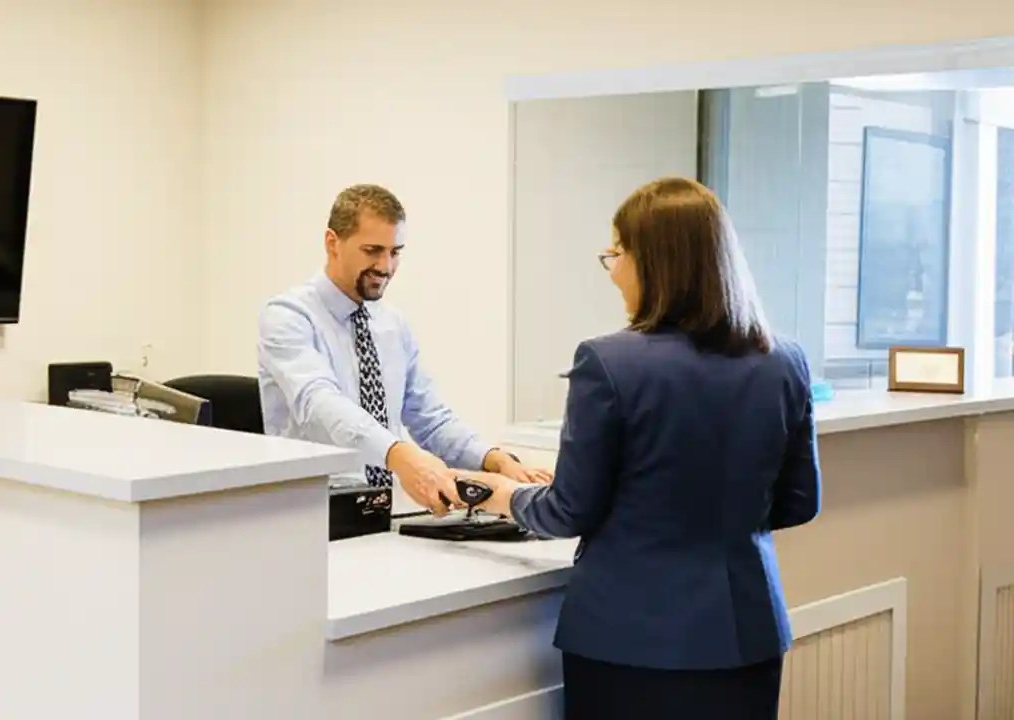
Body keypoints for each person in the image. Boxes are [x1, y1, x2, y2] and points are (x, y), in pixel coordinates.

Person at [459, 177, 820, 719]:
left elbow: (569, 511)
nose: (613, 272)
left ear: (655, 262)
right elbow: (799, 502)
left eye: (617, 253)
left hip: (630, 640)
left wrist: (500, 495)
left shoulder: (607, 363)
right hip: (749, 631)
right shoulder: (785, 361)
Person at [257, 183, 550, 514]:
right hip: (311, 509)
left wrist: (494, 460)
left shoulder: (391, 324)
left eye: (395, 252)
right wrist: (400, 455)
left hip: (387, 508)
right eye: (372, 250)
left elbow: (430, 417)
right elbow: (320, 403)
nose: (385, 266)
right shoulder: (288, 317)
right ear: (332, 243)